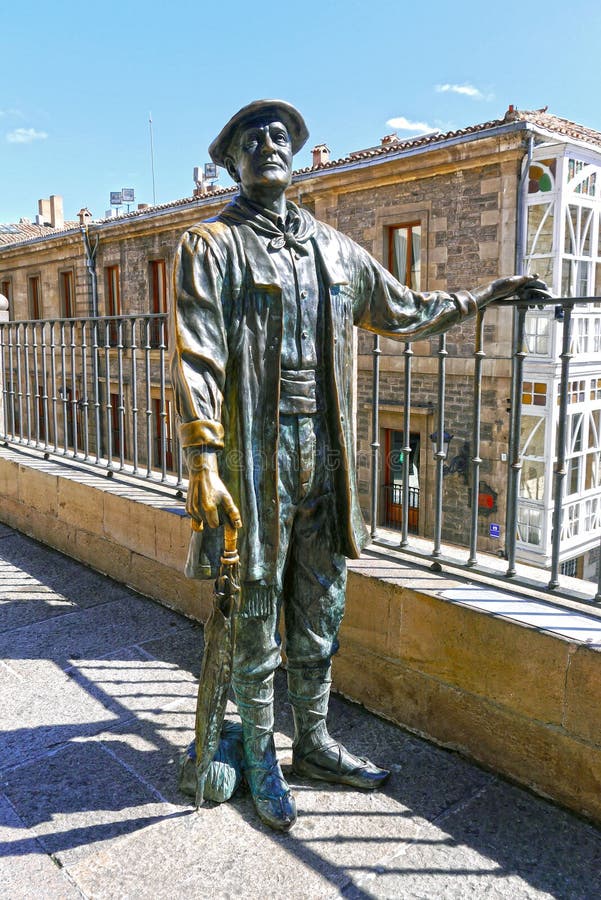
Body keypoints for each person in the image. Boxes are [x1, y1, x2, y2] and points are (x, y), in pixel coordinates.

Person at [170, 99, 547, 832]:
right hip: (256, 455)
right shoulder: (209, 246)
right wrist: (203, 460)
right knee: (255, 607)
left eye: (282, 135)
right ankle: (261, 757)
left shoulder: (335, 250)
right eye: (254, 137)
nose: (271, 144)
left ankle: (312, 743)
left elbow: (406, 309)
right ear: (232, 160)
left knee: (322, 604)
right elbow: (197, 355)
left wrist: (485, 296)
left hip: (328, 454)